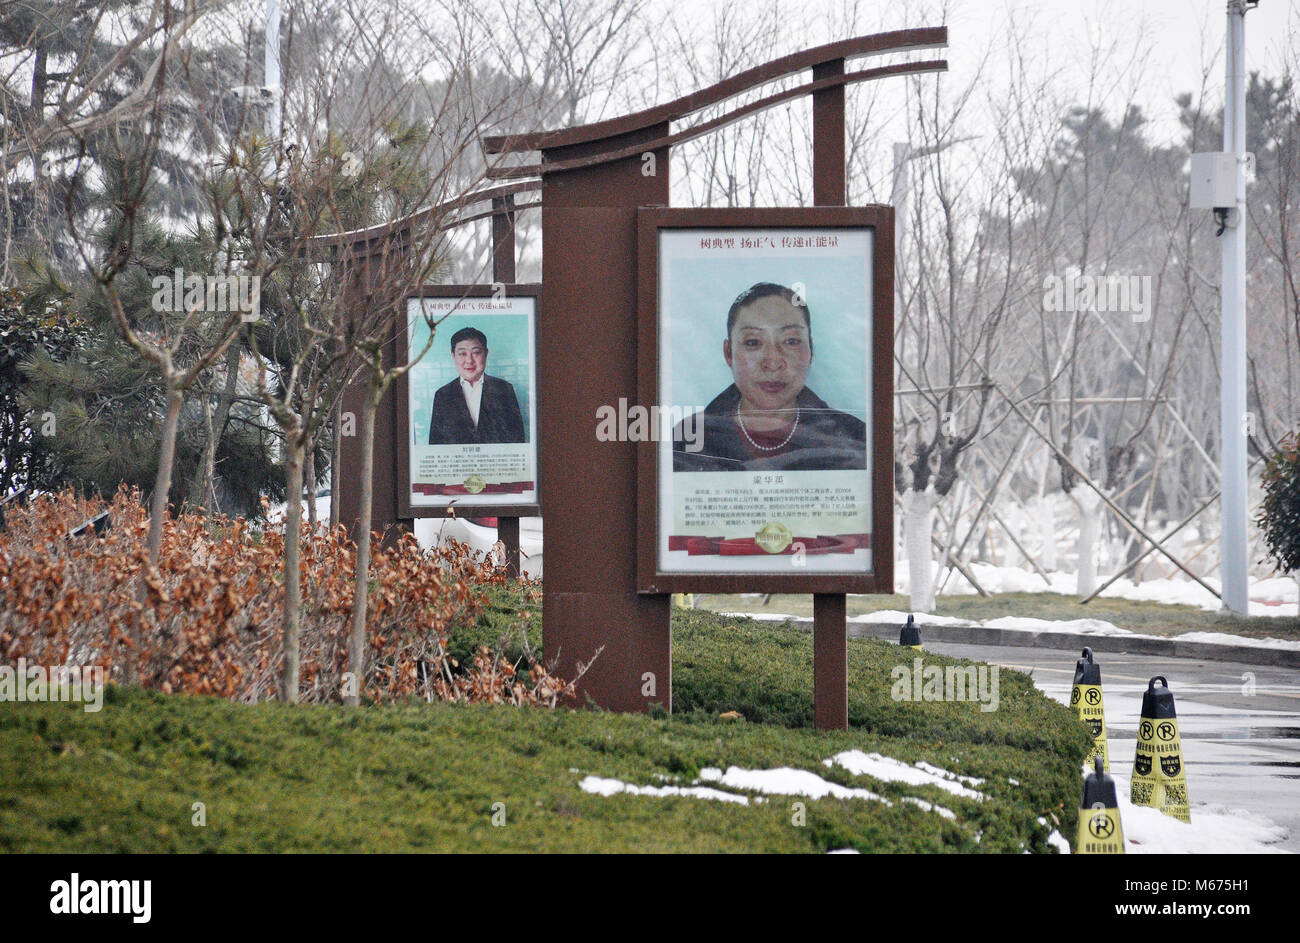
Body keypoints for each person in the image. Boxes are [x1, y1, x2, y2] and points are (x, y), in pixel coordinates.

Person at [672, 282, 866, 471]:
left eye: (791, 341)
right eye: (753, 342)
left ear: (811, 351)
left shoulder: (854, 439)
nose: (773, 362)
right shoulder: (689, 438)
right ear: (728, 353)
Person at [428, 326, 526, 445]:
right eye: (462, 353)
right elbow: (435, 443)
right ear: (453, 356)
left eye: (476, 352)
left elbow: (518, 438)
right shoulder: (442, 395)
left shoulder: (504, 389)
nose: (469, 360)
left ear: (486, 353)